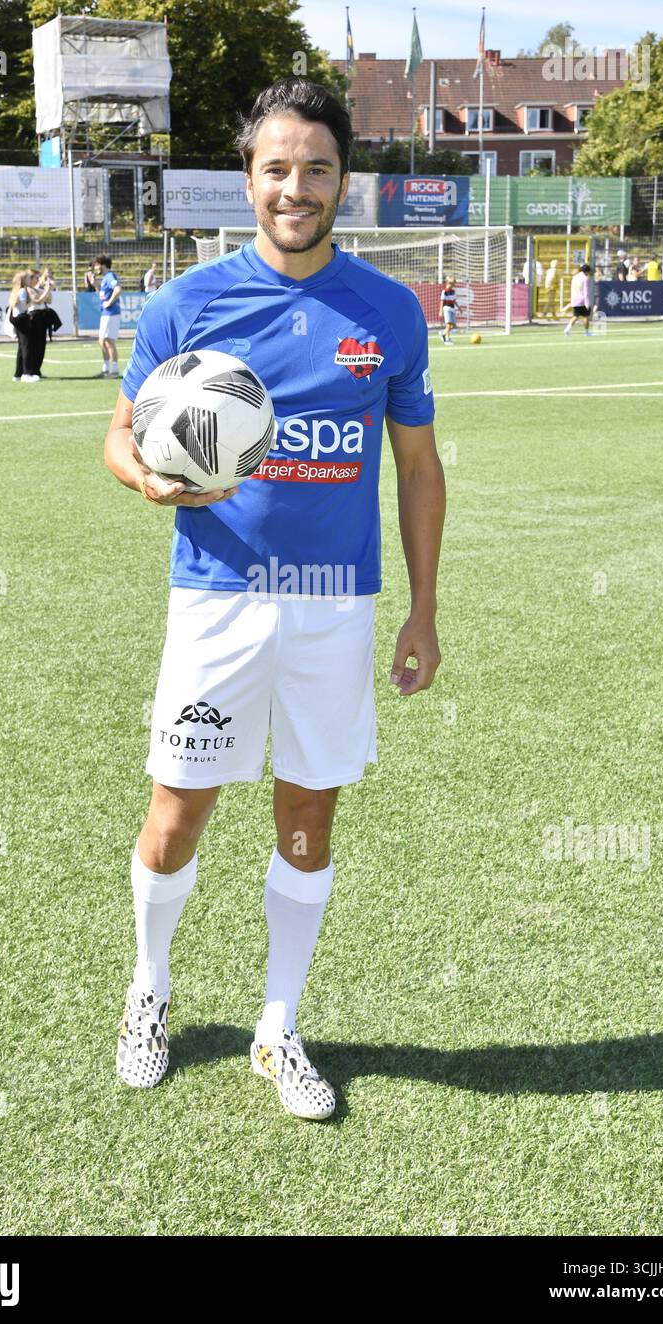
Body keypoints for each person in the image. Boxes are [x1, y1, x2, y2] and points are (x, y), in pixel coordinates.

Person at [104, 77, 445, 1120]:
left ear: (343, 180)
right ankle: (148, 990)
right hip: (214, 598)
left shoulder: (386, 311)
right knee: (177, 810)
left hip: (332, 611)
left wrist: (421, 609)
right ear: (247, 180)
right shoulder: (188, 303)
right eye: (276, 169)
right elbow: (118, 435)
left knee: (307, 814)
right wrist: (149, 477)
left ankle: (276, 1023)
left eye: (316, 169)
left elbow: (419, 469)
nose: (295, 187)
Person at [7, 268, 50, 382]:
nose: (30, 279)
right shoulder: (23, 291)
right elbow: (24, 306)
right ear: (23, 280)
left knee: (22, 348)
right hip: (21, 318)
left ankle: (18, 374)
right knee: (27, 347)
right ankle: (27, 374)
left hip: (16, 317)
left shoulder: (18, 290)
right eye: (28, 278)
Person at [92, 254, 122, 379]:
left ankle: (114, 370)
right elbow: (103, 296)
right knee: (102, 341)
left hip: (111, 313)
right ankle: (105, 369)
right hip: (106, 313)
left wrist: (109, 303)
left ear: (102, 264)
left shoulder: (110, 276)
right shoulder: (105, 278)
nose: (95, 268)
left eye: (97, 265)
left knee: (108, 341)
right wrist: (95, 285)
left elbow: (118, 289)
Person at [564, 262, 593, 336]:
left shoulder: (575, 277)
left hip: (574, 299)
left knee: (575, 316)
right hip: (582, 301)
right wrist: (587, 303)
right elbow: (585, 292)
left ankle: (568, 329)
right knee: (586, 316)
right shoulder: (585, 279)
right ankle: (586, 332)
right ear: (587, 271)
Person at [439, 276, 457, 344]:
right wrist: (441, 311)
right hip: (447, 309)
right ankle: (447, 339)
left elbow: (454, 300)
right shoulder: (445, 291)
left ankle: (443, 333)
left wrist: (459, 308)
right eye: (453, 283)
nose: (454, 285)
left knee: (453, 326)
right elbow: (442, 301)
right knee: (448, 325)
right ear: (448, 283)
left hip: (452, 309)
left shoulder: (453, 291)